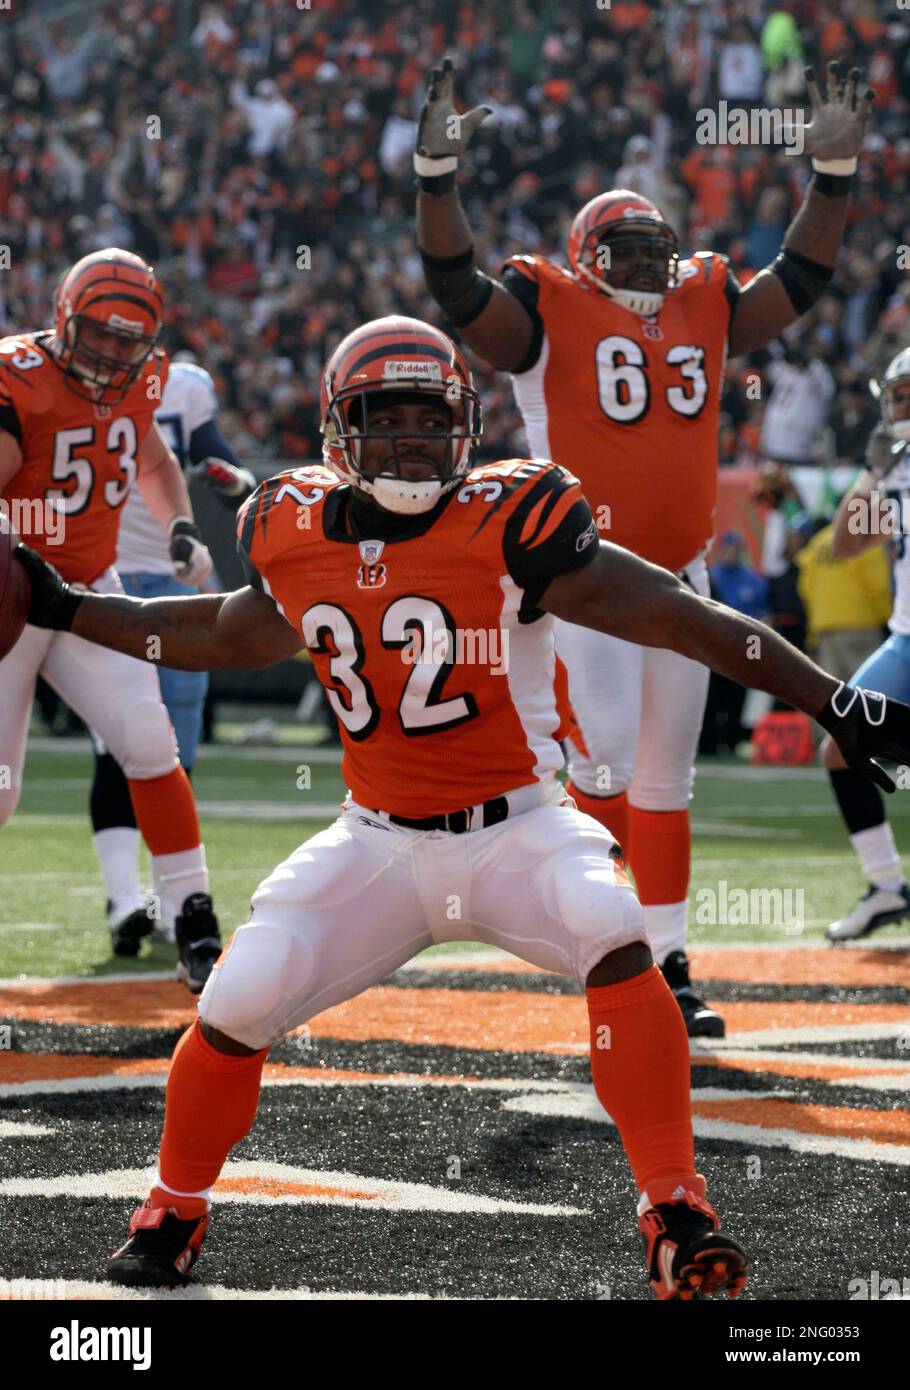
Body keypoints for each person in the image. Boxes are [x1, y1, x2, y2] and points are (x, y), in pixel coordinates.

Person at [16, 317, 910, 1298]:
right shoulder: (292, 526)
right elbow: (219, 633)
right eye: (383, 420)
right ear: (336, 431)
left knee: (613, 924)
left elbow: (680, 614)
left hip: (519, 828)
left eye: (427, 419)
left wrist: (826, 695)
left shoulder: (511, 517)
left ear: (465, 426)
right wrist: (64, 607)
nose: (408, 442)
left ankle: (674, 1203)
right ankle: (173, 1206)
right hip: (376, 843)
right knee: (237, 993)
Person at [414, 57, 873, 1037]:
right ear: (584, 256)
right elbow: (455, 287)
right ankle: (606, 951)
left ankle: (664, 961)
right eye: (620, 251)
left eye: (651, 250)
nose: (640, 266)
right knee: (607, 769)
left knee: (667, 781)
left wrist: (830, 183)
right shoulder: (545, 307)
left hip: (685, 575)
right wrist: (436, 182)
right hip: (583, 584)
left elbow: (799, 277)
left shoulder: (702, 298)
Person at [0, 249, 222, 993]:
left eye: (130, 341)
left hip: (90, 591)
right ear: (65, 320)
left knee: (149, 743)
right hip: (12, 595)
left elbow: (156, 464)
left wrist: (181, 527)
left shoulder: (144, 380)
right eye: (99, 336)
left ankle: (193, 914)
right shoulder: (18, 378)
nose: (113, 354)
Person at [90, 358, 255, 954]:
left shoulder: (183, 385)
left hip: (178, 574)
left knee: (172, 747)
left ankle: (167, 903)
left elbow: (214, 450)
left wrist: (231, 478)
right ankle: (123, 898)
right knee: (116, 736)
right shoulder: (75, 382)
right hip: (102, 574)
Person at [822, 348, 910, 941]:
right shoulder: (895, 466)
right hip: (906, 636)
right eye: (894, 395)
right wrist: (871, 473)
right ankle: (885, 886)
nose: (895, 407)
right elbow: (845, 543)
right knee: (842, 743)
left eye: (906, 396)